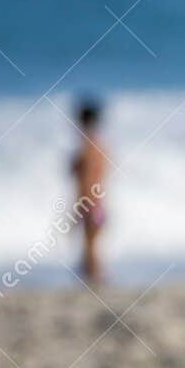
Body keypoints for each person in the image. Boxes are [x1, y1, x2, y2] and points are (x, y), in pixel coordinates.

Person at [71, 99, 109, 288]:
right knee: (92, 249)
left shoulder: (87, 147)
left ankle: (96, 287)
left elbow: (86, 181)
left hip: (90, 203)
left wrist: (79, 207)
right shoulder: (101, 146)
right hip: (99, 203)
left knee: (90, 251)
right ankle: (97, 285)